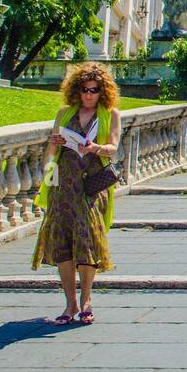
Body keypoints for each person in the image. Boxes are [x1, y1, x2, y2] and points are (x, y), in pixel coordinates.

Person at [32, 62, 122, 325]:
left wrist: (95, 147)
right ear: (77, 90)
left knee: (87, 239)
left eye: (94, 90)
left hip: (92, 185)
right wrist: (53, 144)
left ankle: (86, 300)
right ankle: (69, 304)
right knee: (63, 241)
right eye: (84, 89)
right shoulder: (65, 113)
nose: (89, 95)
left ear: (102, 91)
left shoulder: (110, 114)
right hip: (64, 183)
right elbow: (50, 154)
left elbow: (113, 148)